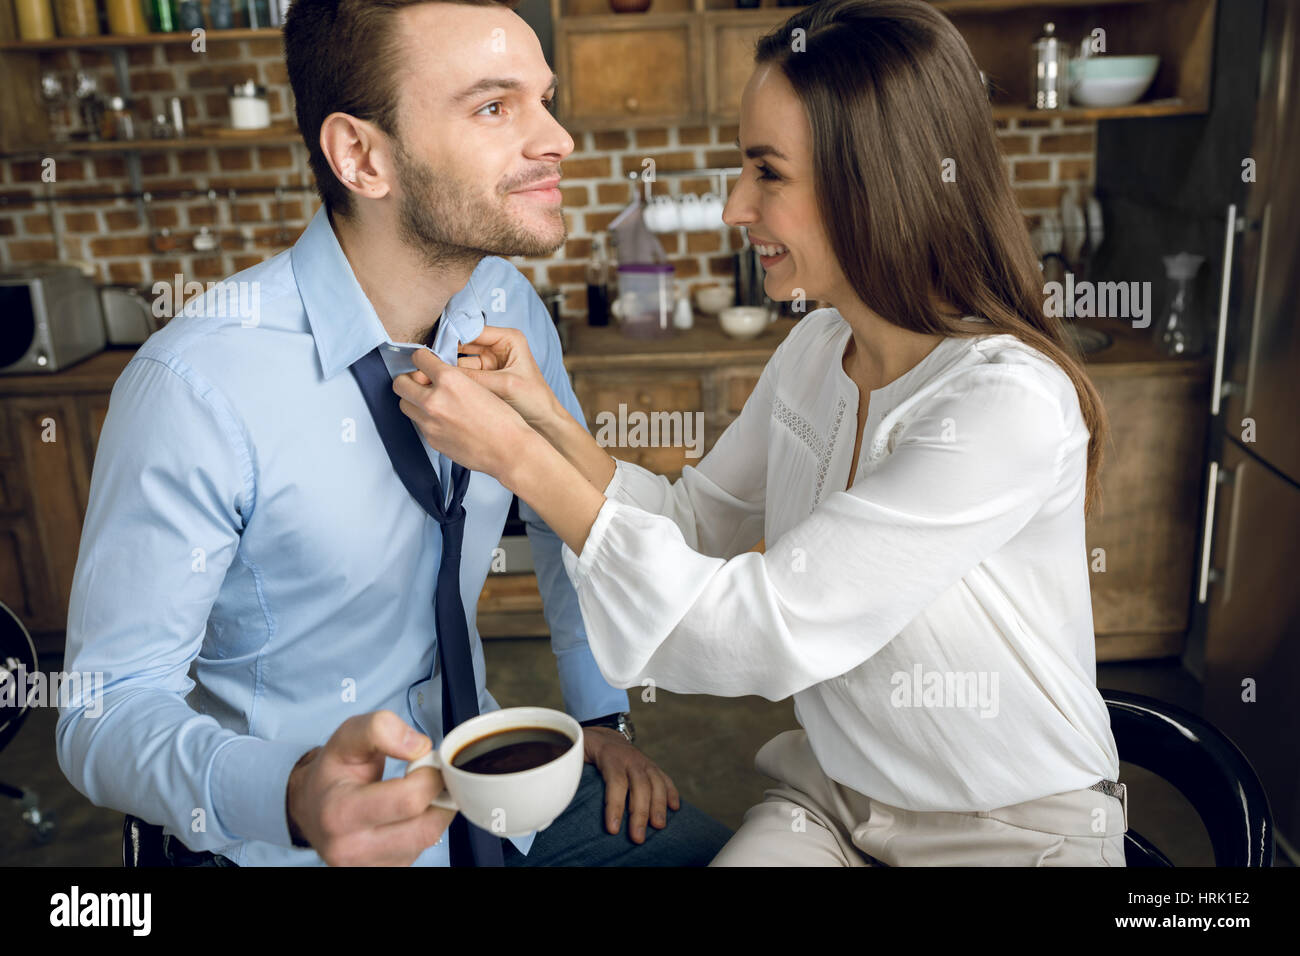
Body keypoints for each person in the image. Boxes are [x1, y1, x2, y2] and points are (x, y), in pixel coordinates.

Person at [395, 0, 1129, 866]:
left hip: (1008, 830)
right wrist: (544, 419)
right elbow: (694, 521)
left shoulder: (1006, 405)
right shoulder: (820, 346)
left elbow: (767, 625)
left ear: (877, 182)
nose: (735, 206)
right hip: (829, 800)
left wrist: (514, 457)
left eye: (767, 172)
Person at [55, 0, 731, 867]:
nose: (557, 138)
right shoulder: (194, 384)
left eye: (544, 98)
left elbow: (569, 531)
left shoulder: (506, 305)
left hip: (490, 794)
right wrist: (291, 794)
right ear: (361, 156)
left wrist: (600, 717)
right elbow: (101, 708)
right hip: (279, 846)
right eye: (495, 107)